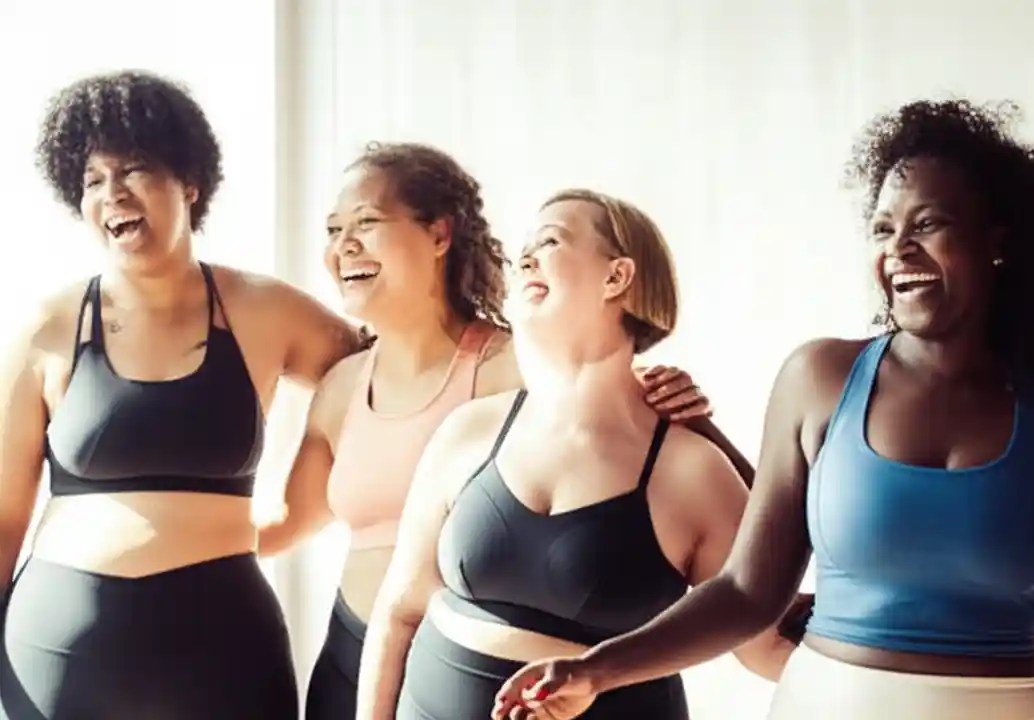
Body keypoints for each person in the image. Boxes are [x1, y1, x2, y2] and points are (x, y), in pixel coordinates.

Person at [491, 99, 1034, 720]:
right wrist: (594, 670)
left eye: (929, 225)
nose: (899, 249)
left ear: (997, 241)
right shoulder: (819, 379)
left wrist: (978, 624)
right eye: (883, 230)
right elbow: (746, 592)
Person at [254, 142, 722, 719]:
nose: (343, 243)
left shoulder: (518, 368)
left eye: (367, 223)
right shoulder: (345, 385)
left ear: (440, 235)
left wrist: (690, 421)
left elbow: (747, 577)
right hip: (358, 646)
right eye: (333, 228)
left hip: (531, 669)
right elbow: (281, 527)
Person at [355, 189, 799, 720]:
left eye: (549, 241)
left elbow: (763, 645)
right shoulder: (468, 432)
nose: (524, 259)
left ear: (616, 278)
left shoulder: (689, 470)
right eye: (522, 250)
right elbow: (398, 613)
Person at [0, 71, 361, 719]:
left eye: (133, 170)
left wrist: (313, 511)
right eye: (92, 180)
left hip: (225, 646)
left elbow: (392, 382)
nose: (112, 194)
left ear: (189, 183)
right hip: (62, 652)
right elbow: (1, 520)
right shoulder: (46, 328)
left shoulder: (267, 310)